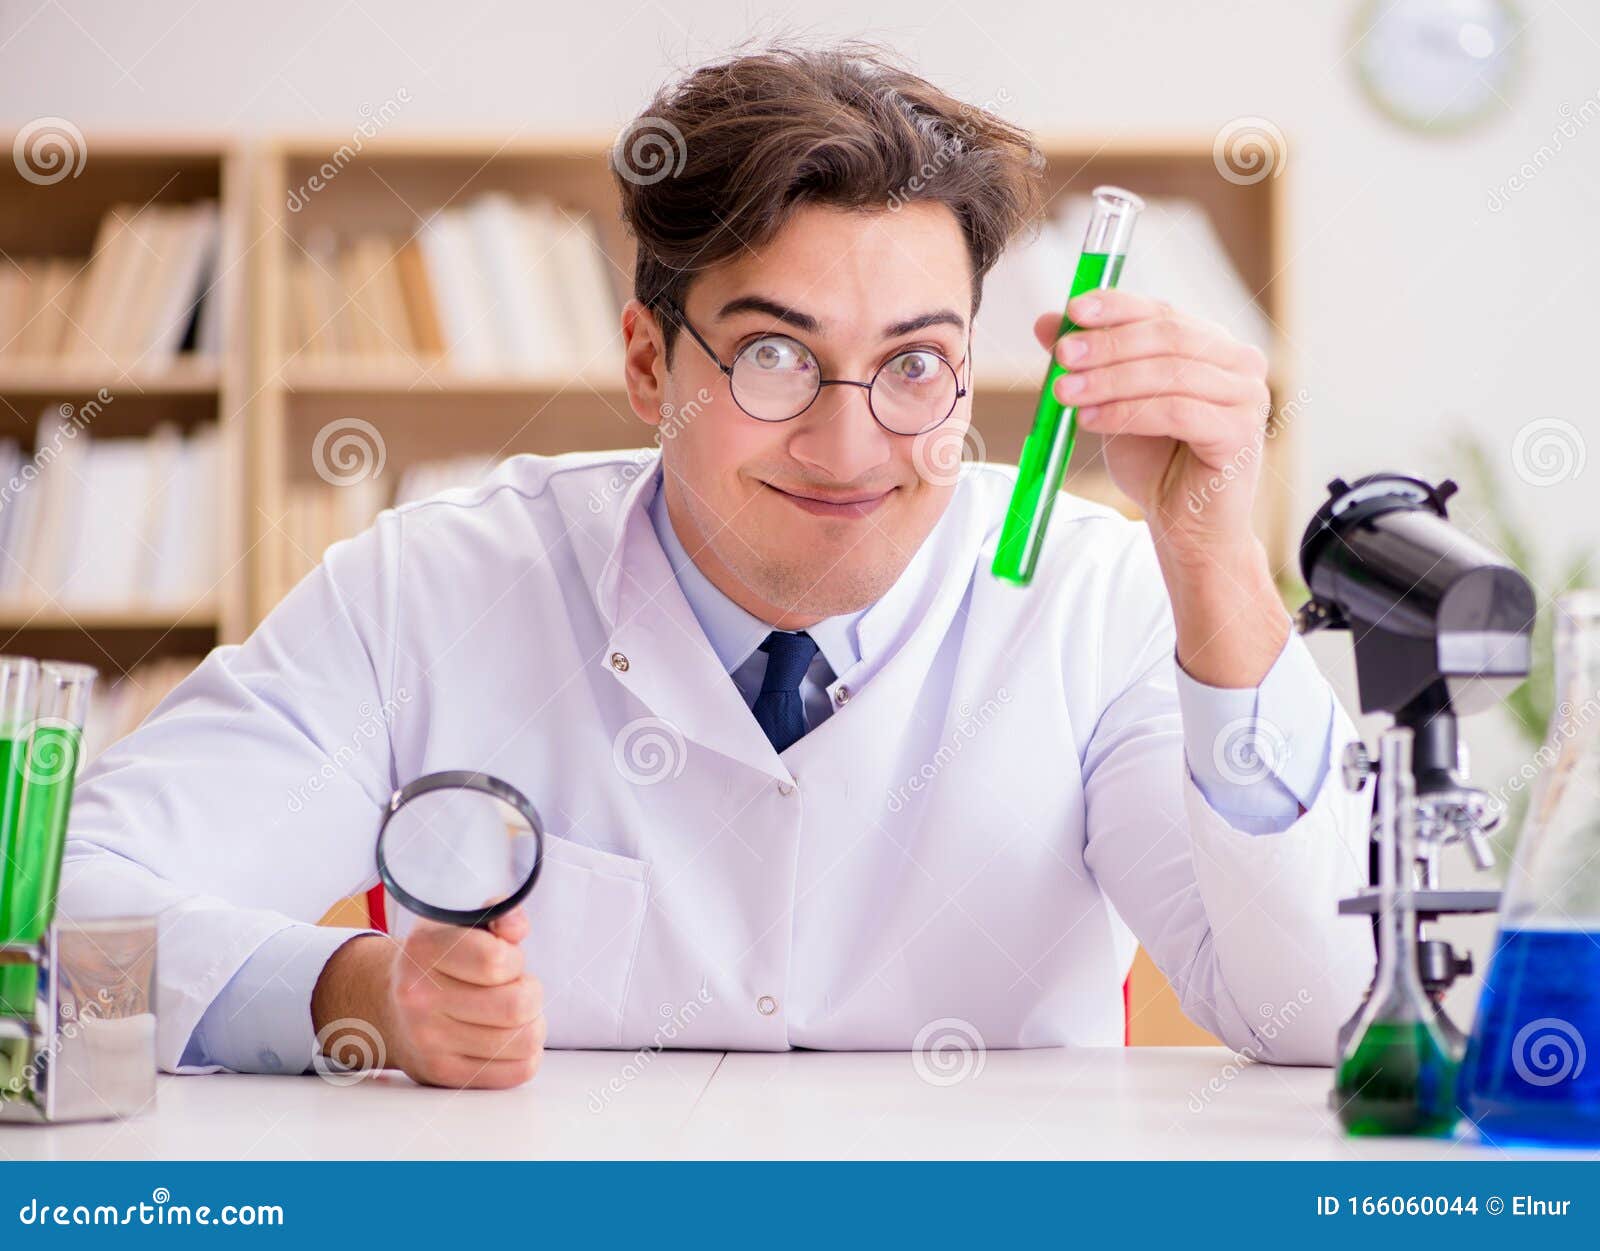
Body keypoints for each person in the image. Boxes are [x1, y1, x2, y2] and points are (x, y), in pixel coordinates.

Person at [61, 42, 1373, 1090]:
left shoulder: (1099, 596)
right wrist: (351, 994)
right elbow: (66, 911)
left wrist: (1212, 561)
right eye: (772, 357)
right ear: (648, 363)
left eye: (916, 363)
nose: (851, 441)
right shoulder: (434, 589)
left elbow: (1324, 1012)